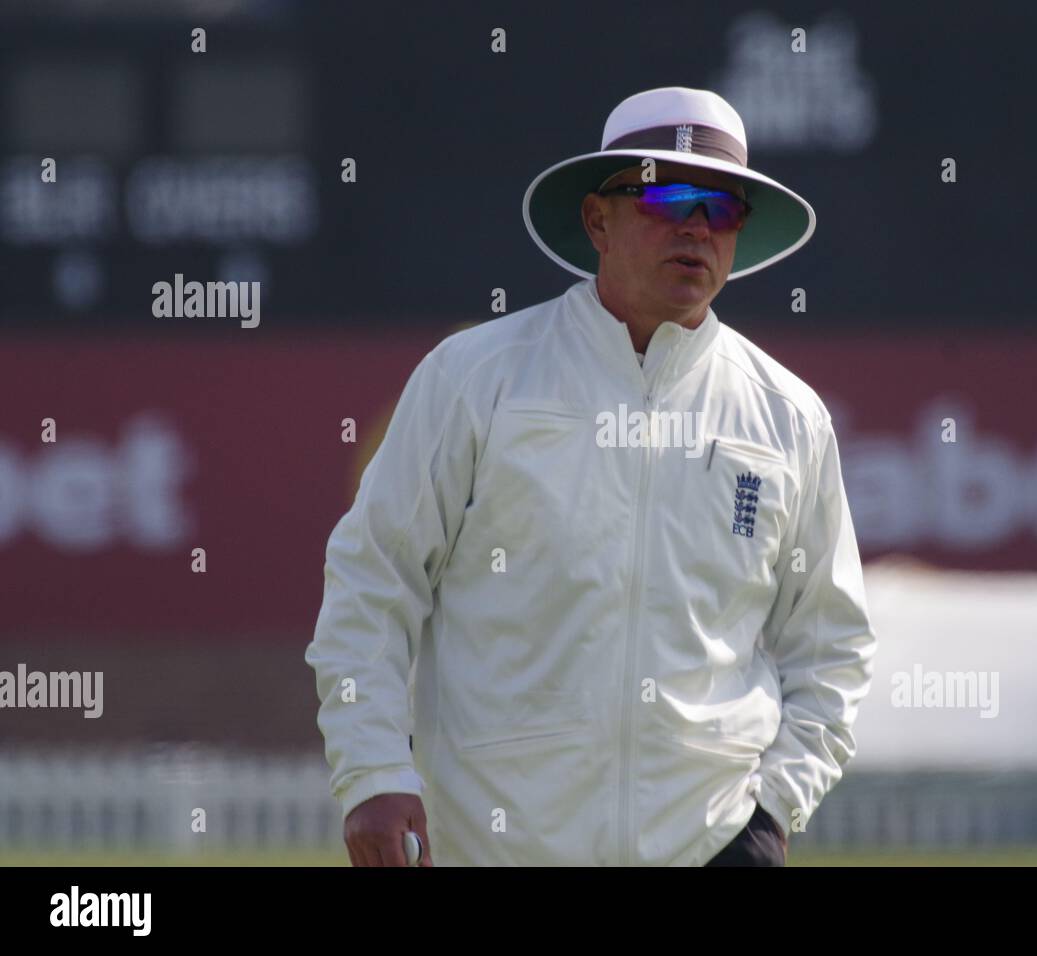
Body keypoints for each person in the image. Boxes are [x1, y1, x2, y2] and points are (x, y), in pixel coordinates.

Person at [306, 86, 876, 866]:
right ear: (596, 219)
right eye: (666, 192)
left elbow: (832, 648)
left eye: (723, 207)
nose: (695, 225)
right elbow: (373, 585)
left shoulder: (789, 418)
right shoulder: (476, 378)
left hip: (711, 847)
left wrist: (772, 813)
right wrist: (372, 771)